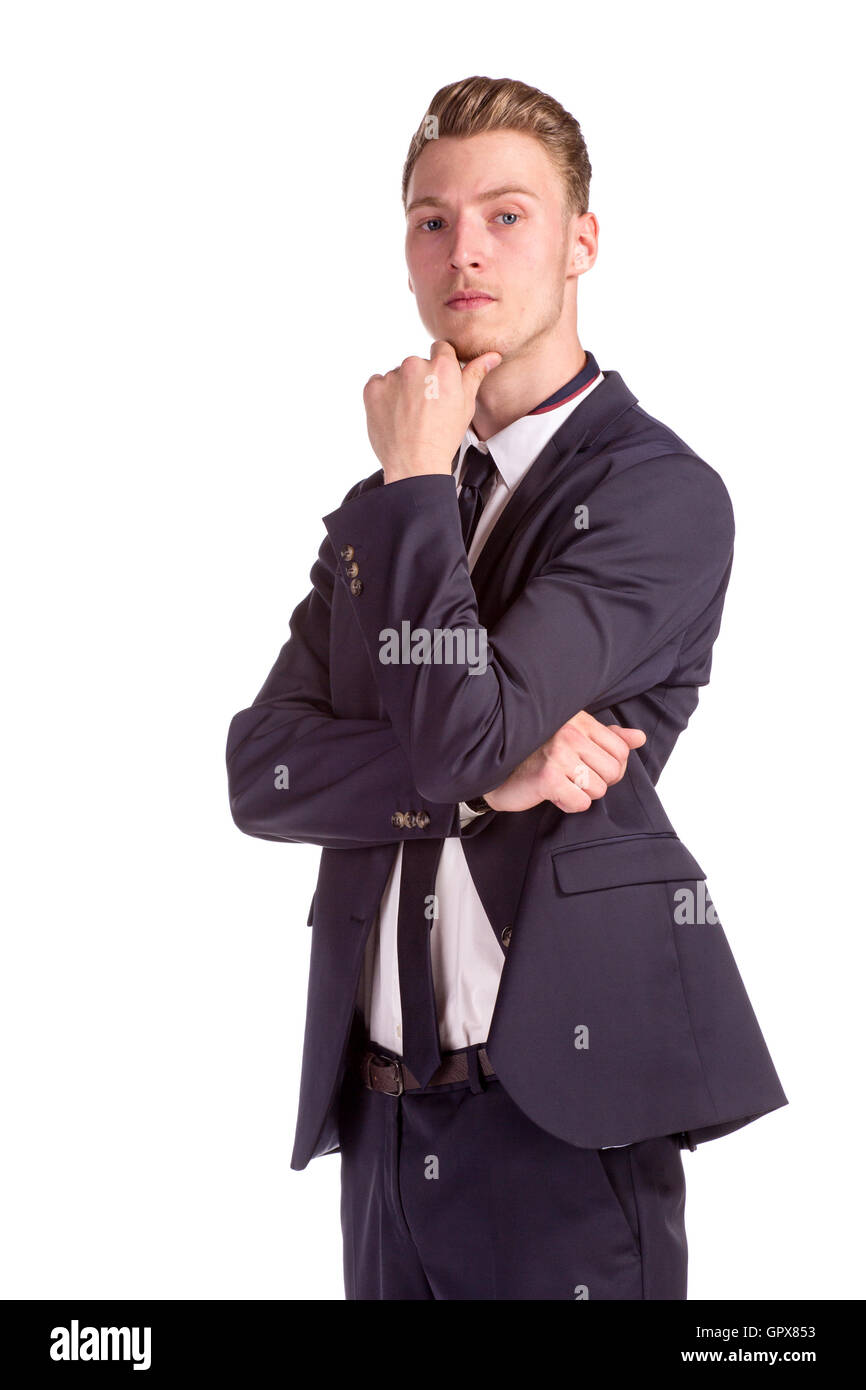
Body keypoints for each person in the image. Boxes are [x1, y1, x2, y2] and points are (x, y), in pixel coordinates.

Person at [226, 74, 787, 1300]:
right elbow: (260, 770)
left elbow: (455, 730)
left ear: (582, 240)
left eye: (506, 215)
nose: (461, 250)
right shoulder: (402, 498)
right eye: (431, 219)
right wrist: (491, 779)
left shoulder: (656, 499)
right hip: (377, 1132)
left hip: (554, 1133)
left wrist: (417, 483)